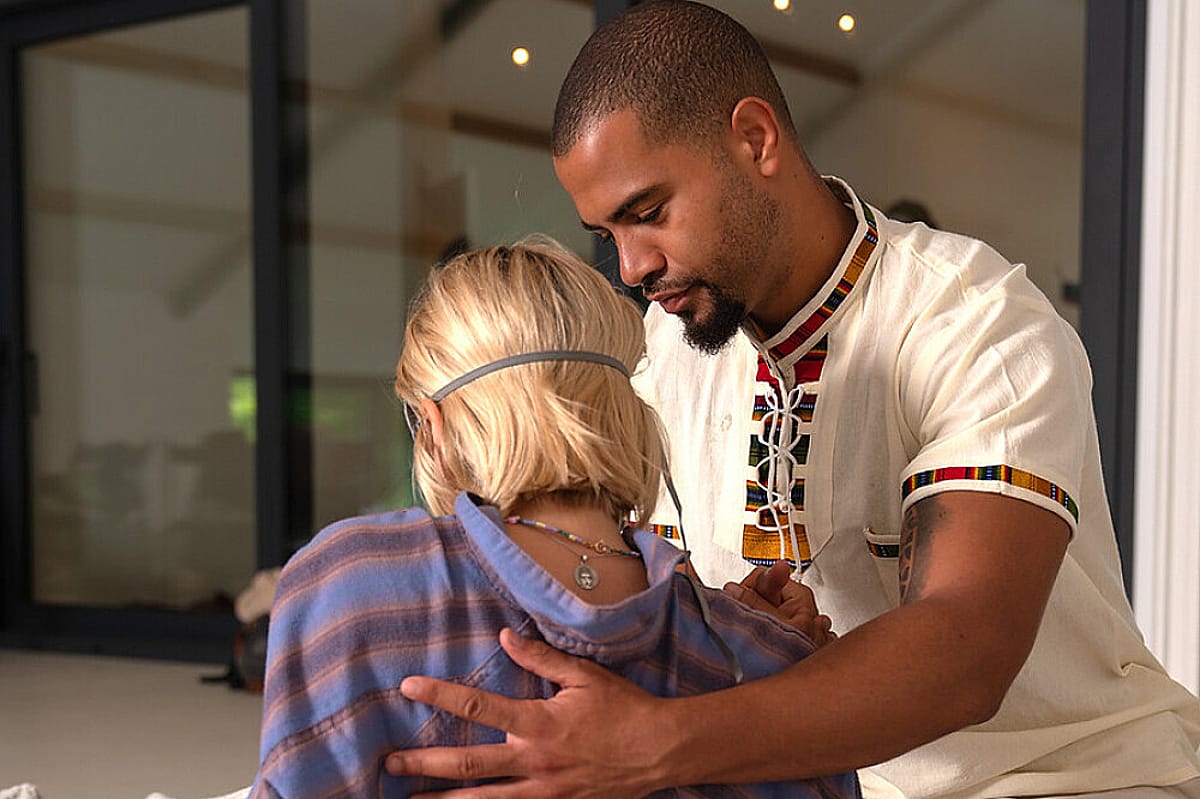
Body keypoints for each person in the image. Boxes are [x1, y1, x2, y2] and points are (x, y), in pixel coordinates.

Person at [383, 2, 1200, 797]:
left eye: (649, 212)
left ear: (755, 139)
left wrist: (650, 743)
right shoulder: (661, 355)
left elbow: (967, 653)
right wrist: (738, 627)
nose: (631, 266)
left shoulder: (978, 323)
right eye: (609, 235)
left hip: (1069, 778)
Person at [248, 239, 859, 798]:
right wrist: (767, 644)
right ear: (623, 406)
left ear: (435, 428)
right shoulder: (766, 662)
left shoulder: (351, 588)